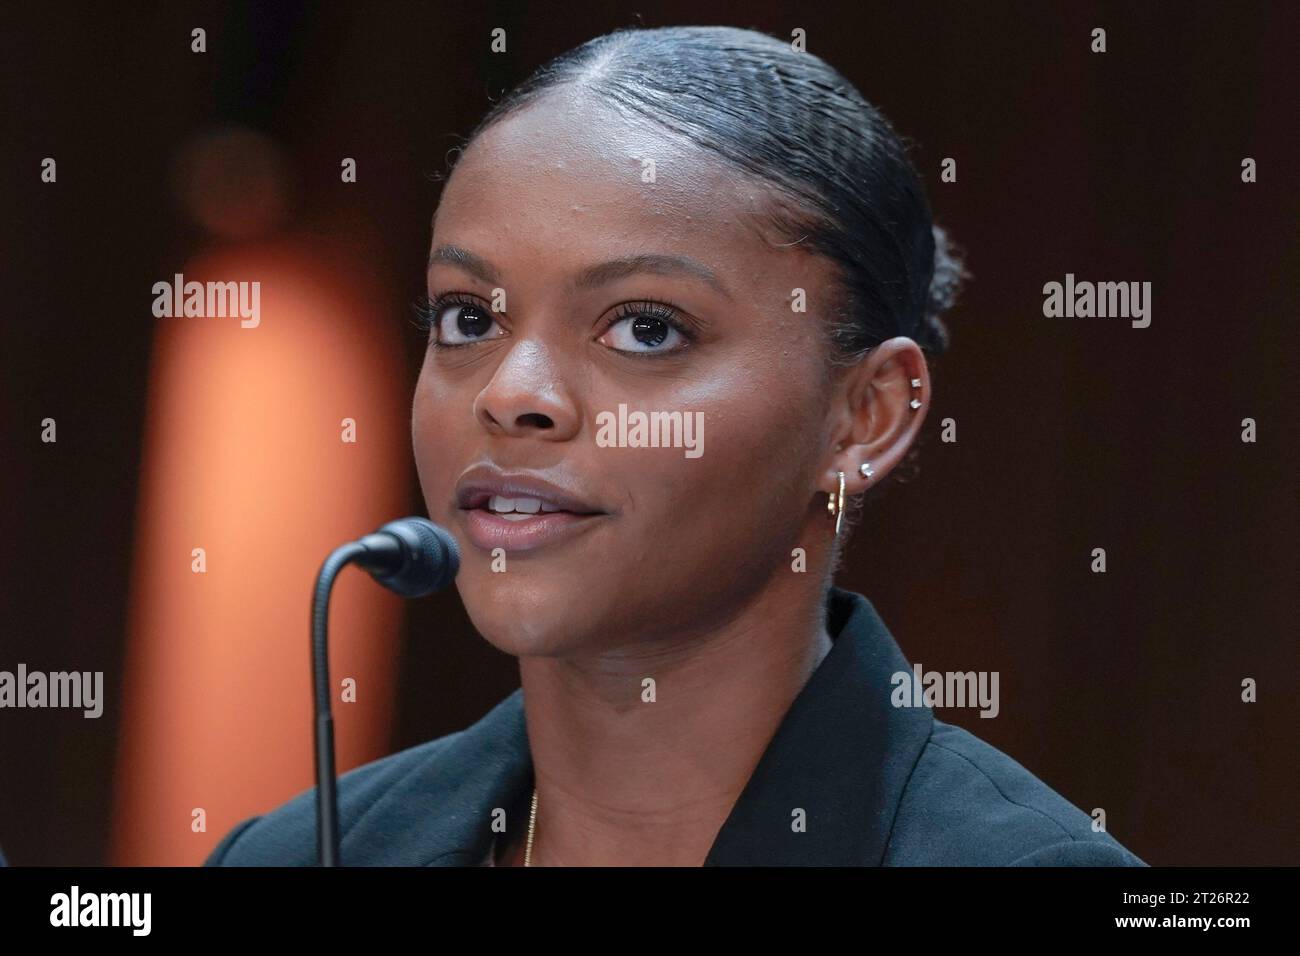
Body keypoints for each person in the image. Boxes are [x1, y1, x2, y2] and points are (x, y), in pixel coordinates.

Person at [207, 24, 1145, 867]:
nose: (511, 394)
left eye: (644, 329)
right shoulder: (295, 855)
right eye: (466, 317)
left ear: (865, 416)